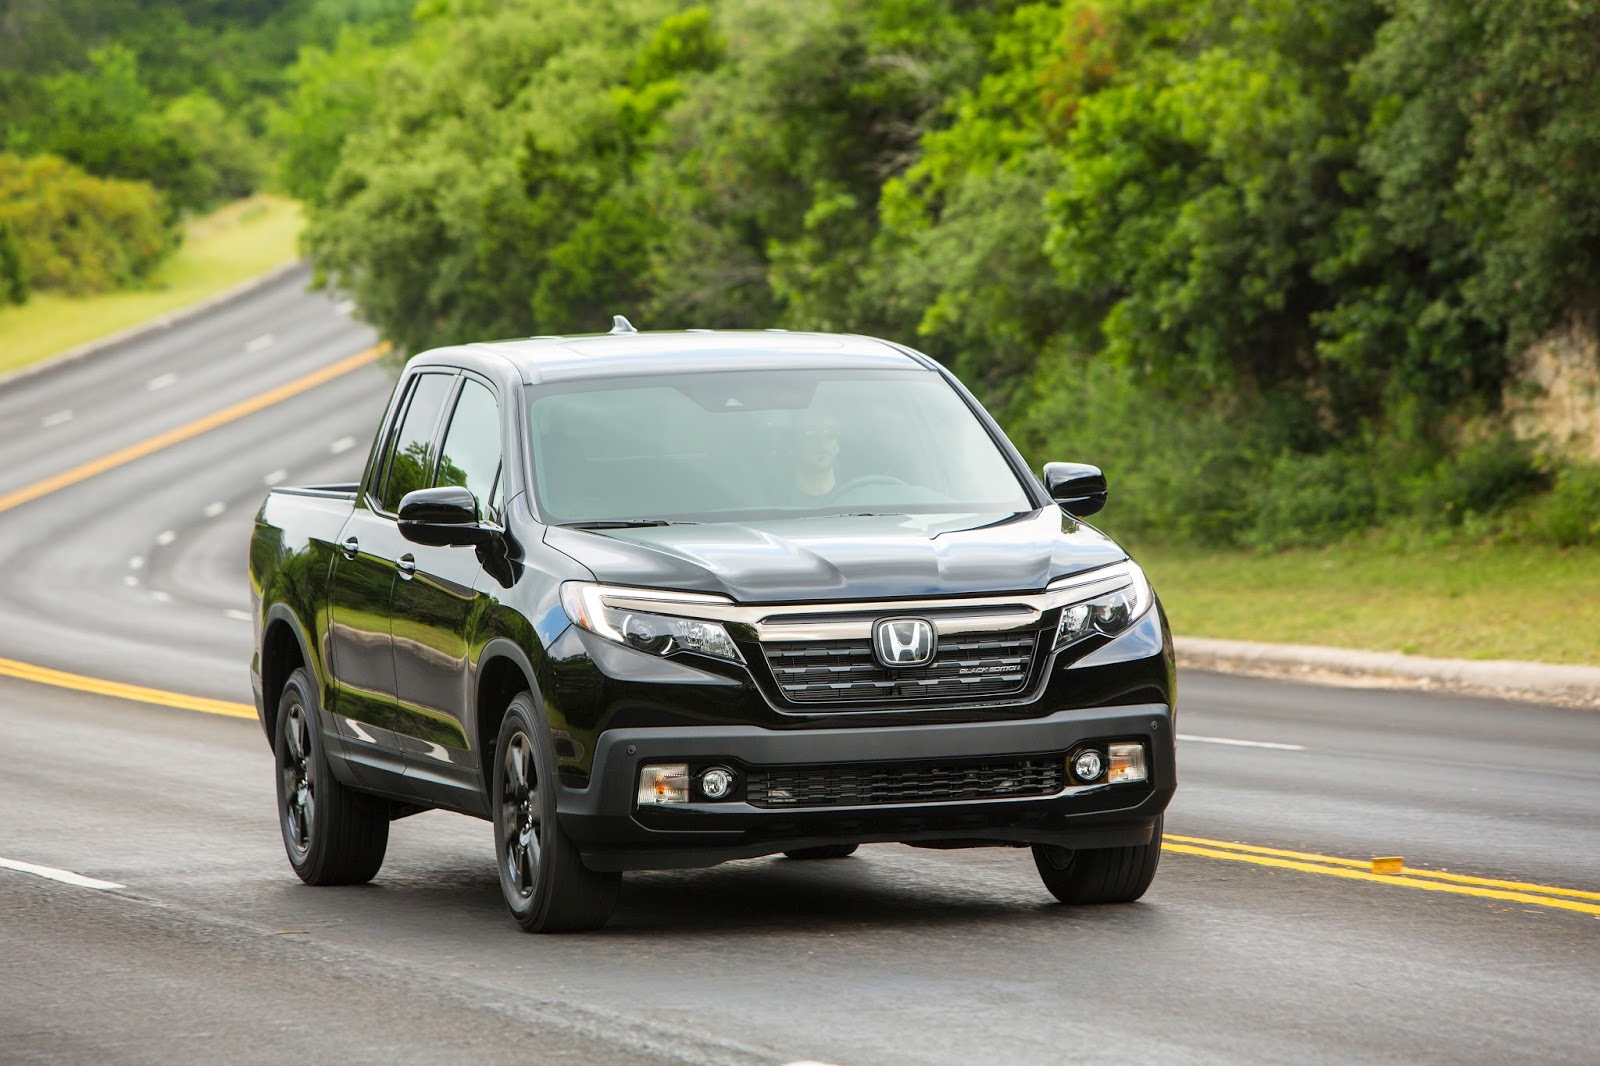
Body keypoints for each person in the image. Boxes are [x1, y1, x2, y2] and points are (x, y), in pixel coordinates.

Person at [791, 410, 840, 498]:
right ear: (792, 446)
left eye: (829, 434)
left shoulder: (857, 493)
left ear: (838, 446)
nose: (821, 442)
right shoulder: (772, 501)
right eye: (809, 434)